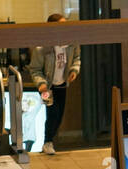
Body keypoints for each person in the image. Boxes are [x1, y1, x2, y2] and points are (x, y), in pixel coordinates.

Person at [31, 14, 81, 155]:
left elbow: (77, 58)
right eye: (61, 25)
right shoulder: (42, 47)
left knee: (59, 115)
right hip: (47, 87)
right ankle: (47, 142)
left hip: (62, 84)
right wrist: (41, 84)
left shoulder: (71, 44)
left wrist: (73, 71)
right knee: (52, 113)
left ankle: (48, 141)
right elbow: (35, 69)